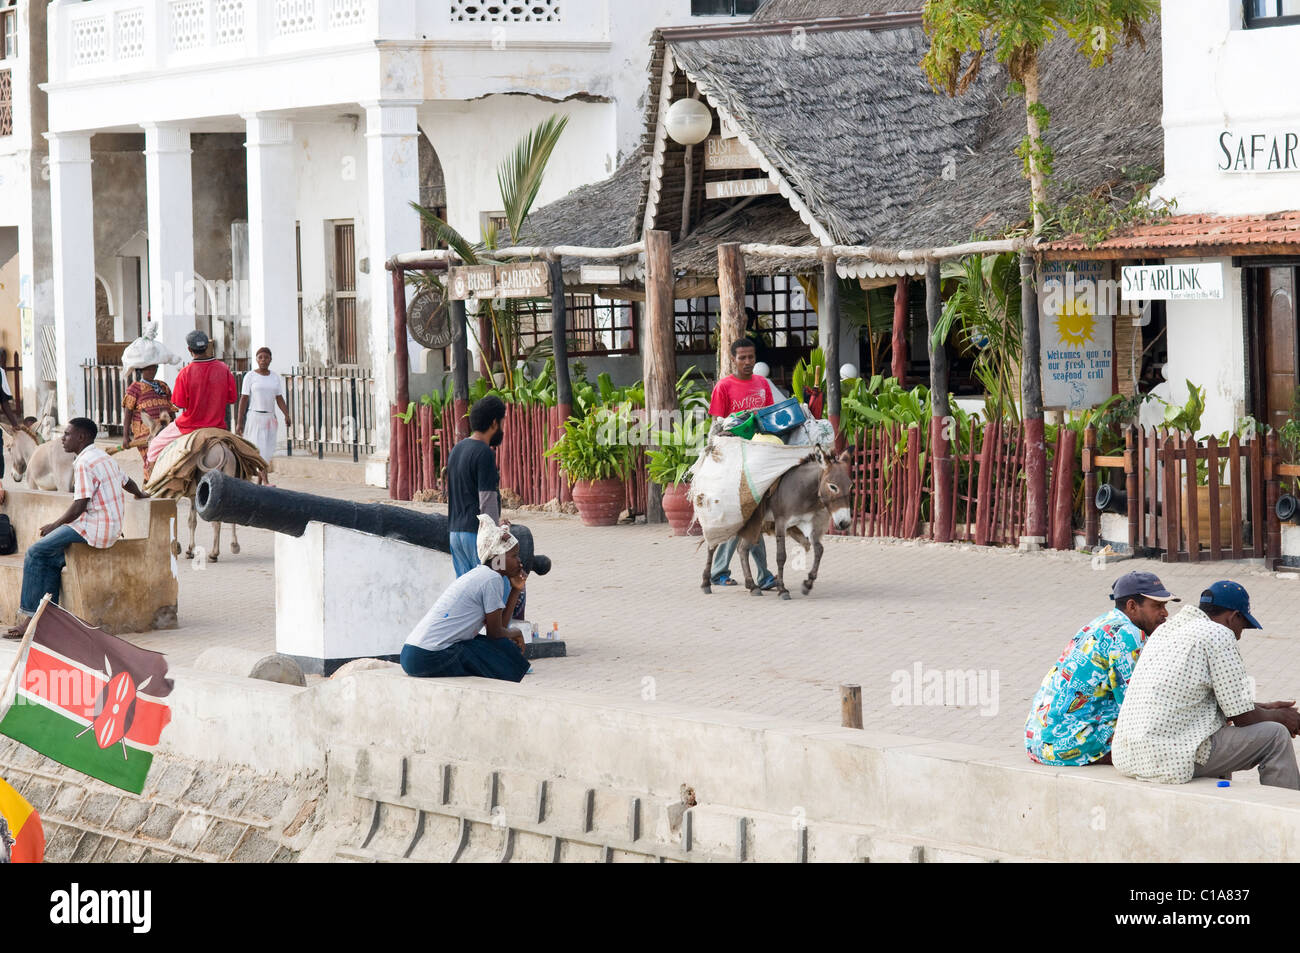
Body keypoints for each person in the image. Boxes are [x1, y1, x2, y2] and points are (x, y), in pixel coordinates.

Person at [1112, 580, 1300, 789]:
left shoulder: (1166, 630)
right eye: (1243, 626)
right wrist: (1282, 717)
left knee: (1217, 729)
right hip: (1166, 759)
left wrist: (1266, 707)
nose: (1240, 635)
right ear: (1233, 617)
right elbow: (1244, 718)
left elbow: (1227, 704)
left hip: (1129, 756)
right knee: (1275, 736)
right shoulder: (1219, 634)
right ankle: (1285, 813)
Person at [4, 419, 148, 641]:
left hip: (93, 527)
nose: (63, 438)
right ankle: (48, 619)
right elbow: (127, 482)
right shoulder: (103, 456)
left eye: (68, 434)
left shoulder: (84, 463)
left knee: (35, 552)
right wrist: (140, 494)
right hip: (110, 527)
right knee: (52, 560)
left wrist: (55, 525)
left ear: (82, 437)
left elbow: (80, 505)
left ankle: (30, 618)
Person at [1024, 571, 1175, 766]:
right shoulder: (1128, 634)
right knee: (1165, 733)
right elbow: (1135, 705)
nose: (1165, 613)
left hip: (1038, 740)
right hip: (1066, 745)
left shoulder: (1102, 622)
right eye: (1157, 606)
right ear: (1132, 606)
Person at [399, 514, 530, 682]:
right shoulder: (491, 579)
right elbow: (496, 633)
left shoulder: (483, 575)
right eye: (514, 556)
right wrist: (516, 632)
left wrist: (515, 590)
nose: (519, 562)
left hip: (412, 654)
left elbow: (500, 629)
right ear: (498, 559)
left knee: (497, 646)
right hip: (426, 657)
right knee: (501, 651)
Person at [708, 339, 778, 590]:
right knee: (749, 515)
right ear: (733, 360)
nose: (748, 362)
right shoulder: (723, 387)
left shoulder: (762, 385)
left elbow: (769, 418)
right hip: (733, 461)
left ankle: (719, 571)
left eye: (751, 357)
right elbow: (716, 427)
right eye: (742, 358)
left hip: (759, 458)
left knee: (745, 517)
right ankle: (764, 575)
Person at [146, 330, 237, 471]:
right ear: (207, 347)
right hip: (218, 426)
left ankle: (152, 483)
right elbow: (232, 398)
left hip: (189, 425)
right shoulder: (224, 369)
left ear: (189, 349)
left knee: (154, 447)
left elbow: (179, 403)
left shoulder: (185, 373)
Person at [446, 395, 505, 578]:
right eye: (503, 423)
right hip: (478, 537)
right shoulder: (484, 453)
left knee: (467, 595)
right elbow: (487, 500)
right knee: (496, 587)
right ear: (494, 423)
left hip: (455, 534)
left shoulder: (457, 449)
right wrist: (496, 533)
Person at [236, 347, 291, 485]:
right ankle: (266, 480)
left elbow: (279, 398)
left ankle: (259, 483)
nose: (263, 360)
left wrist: (286, 414)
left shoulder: (274, 377)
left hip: (270, 418)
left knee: (267, 450)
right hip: (255, 416)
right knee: (259, 449)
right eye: (260, 357)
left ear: (270, 359)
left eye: (266, 357)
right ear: (256, 359)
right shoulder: (250, 376)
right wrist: (239, 422)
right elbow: (243, 399)